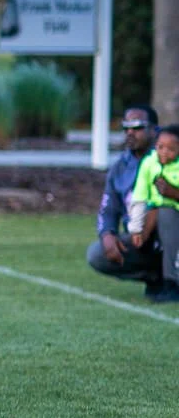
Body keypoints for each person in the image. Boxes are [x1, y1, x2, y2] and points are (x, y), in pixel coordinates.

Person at [89, 106, 164, 295]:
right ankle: (155, 276)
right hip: (138, 239)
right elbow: (107, 209)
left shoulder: (168, 159)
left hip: (167, 234)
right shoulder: (119, 168)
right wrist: (107, 234)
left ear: (154, 130)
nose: (130, 132)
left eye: (137, 127)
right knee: (97, 254)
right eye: (126, 127)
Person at [129, 125, 179, 303]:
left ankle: (171, 283)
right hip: (154, 214)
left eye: (171, 149)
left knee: (166, 214)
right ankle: (155, 279)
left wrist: (174, 193)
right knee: (144, 232)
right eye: (160, 147)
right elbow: (139, 197)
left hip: (173, 216)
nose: (164, 152)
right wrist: (136, 228)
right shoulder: (148, 164)